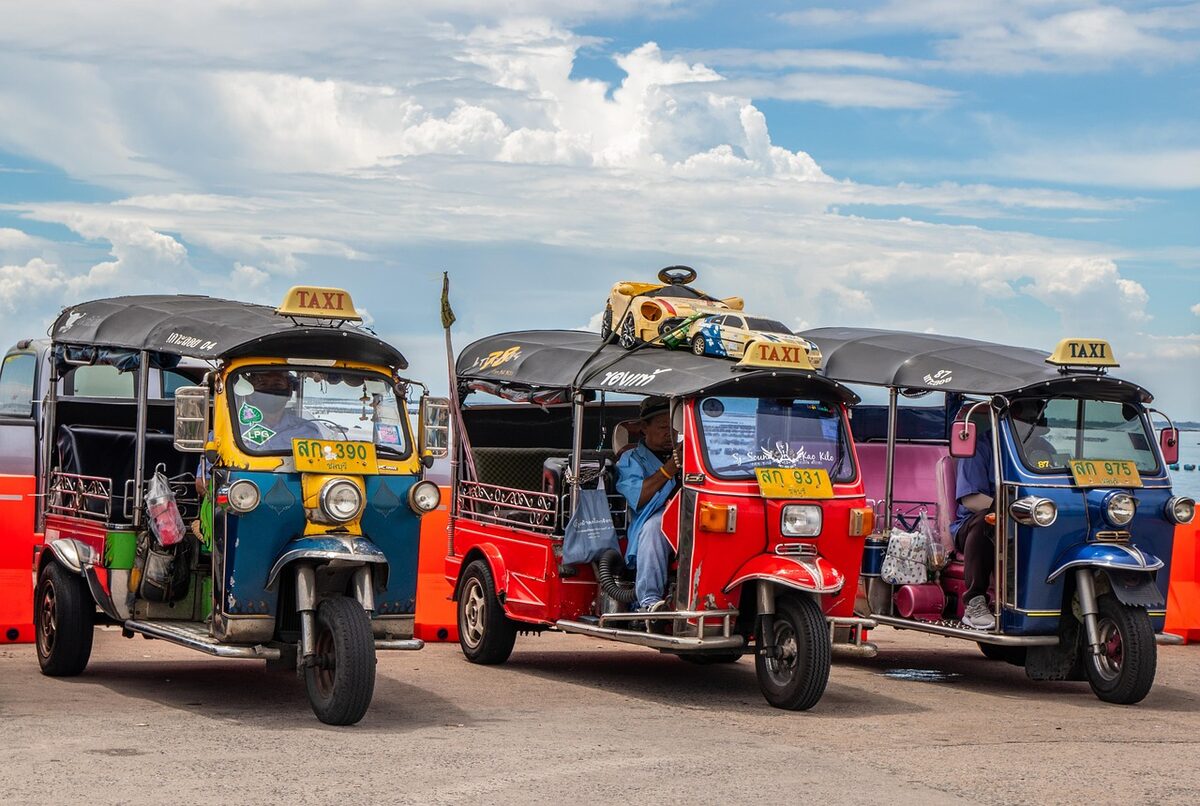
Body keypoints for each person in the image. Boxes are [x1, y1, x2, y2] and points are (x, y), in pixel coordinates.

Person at [615, 397, 678, 612]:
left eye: (674, 428)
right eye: (662, 427)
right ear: (644, 428)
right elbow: (638, 496)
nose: (669, 433)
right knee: (656, 527)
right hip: (653, 519)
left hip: (693, 513)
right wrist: (669, 469)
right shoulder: (631, 459)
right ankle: (649, 602)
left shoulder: (694, 453)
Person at [950, 414, 996, 630]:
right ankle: (975, 600)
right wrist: (1009, 510)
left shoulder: (1043, 449)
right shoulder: (979, 448)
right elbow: (972, 499)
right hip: (971, 526)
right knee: (988, 519)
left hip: (1025, 518)